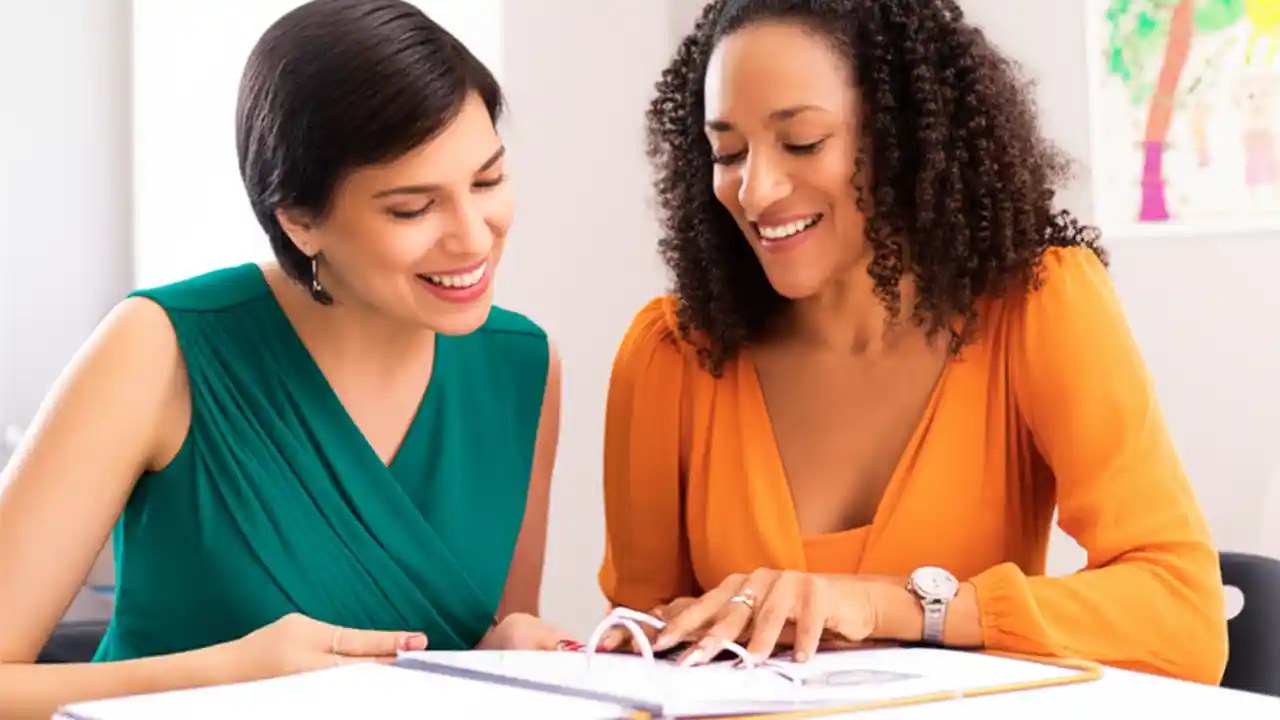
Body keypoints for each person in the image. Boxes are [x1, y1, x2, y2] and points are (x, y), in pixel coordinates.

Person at [597, 0, 1228, 684]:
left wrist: (892, 606)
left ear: (903, 135)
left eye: (803, 141)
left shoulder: (1037, 308)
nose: (756, 189)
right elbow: (639, 645)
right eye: (727, 152)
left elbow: (1184, 617)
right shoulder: (671, 356)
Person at [0, 1, 570, 715]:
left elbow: (464, 651)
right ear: (298, 220)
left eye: (486, 182)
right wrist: (223, 676)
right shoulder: (159, 349)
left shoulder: (524, 367)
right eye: (412, 208)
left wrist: (502, 650)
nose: (472, 238)